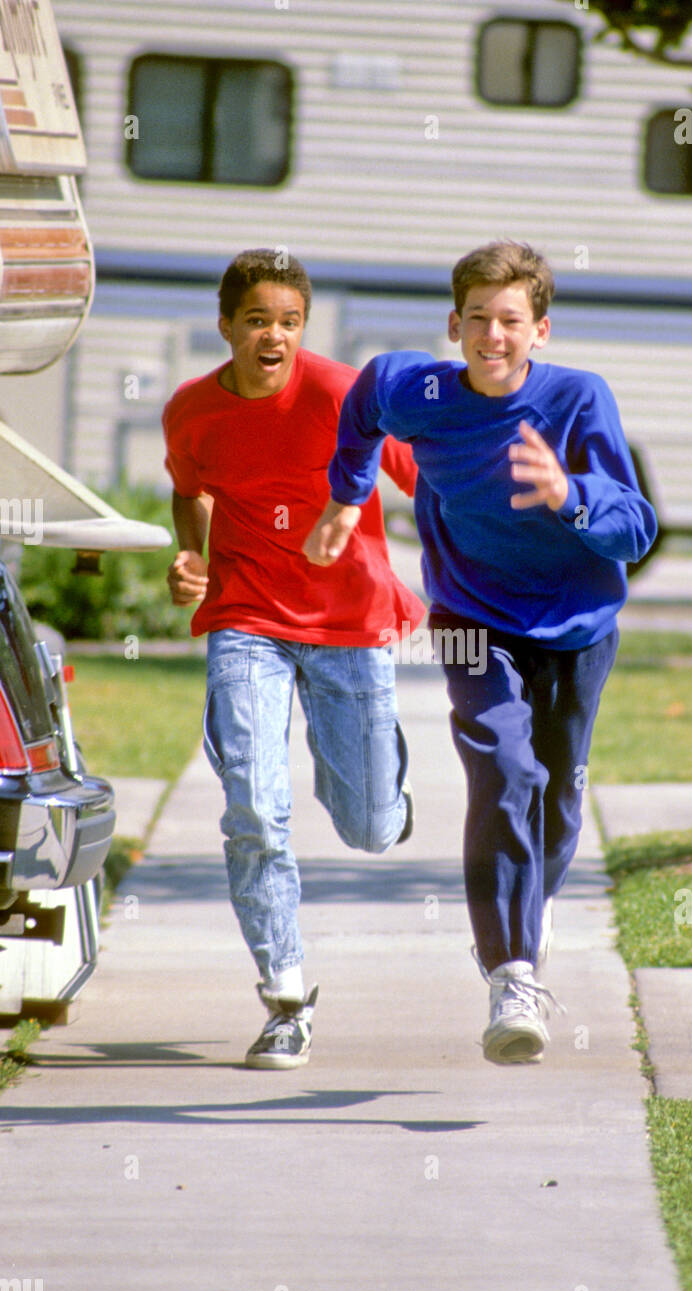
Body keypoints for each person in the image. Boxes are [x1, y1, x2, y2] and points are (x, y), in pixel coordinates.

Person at [303, 240, 657, 1065]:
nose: (492, 337)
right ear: (453, 324)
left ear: (539, 329)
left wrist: (571, 497)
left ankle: (525, 914)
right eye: (477, 320)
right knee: (503, 770)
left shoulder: (577, 399)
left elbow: (636, 528)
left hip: (576, 622)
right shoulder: (415, 388)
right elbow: (361, 409)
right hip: (468, 614)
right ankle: (510, 972)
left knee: (557, 801)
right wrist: (346, 501)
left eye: (510, 321)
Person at [163, 248, 425, 1070]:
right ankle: (285, 999)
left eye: (288, 322)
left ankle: (383, 791)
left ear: (302, 328)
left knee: (369, 827)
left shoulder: (346, 395)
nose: (272, 336)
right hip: (247, 618)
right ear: (226, 327)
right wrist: (192, 554)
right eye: (255, 321)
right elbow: (190, 486)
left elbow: (427, 479)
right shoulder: (192, 411)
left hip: (347, 621)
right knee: (252, 804)